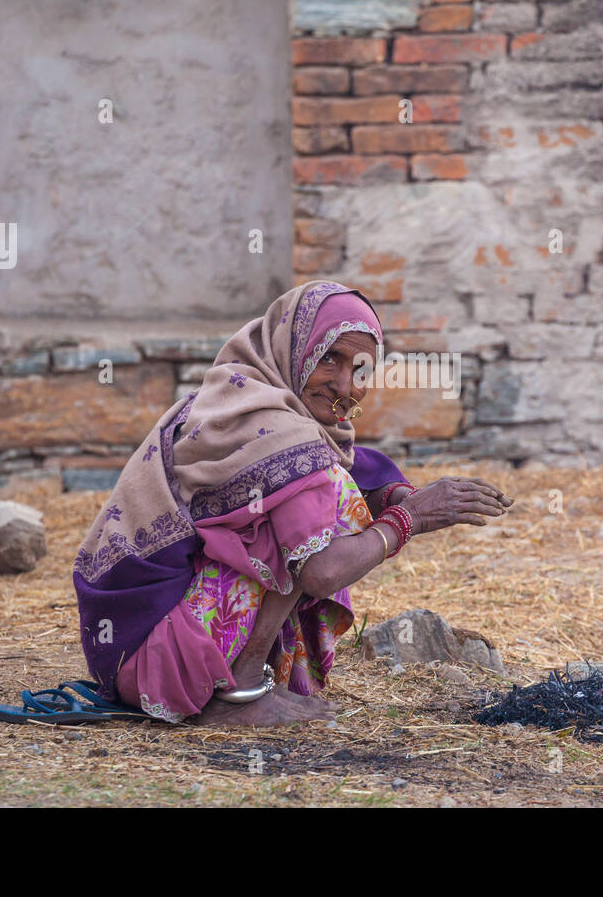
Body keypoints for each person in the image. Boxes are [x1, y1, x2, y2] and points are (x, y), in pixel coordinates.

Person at [72, 280, 512, 726]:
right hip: (156, 662)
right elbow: (322, 572)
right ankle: (236, 692)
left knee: (319, 492)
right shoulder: (272, 426)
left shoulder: (243, 397)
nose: (345, 385)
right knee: (320, 508)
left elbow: (358, 469)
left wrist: (399, 495)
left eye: (360, 369)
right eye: (329, 359)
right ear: (294, 347)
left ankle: (249, 681)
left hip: (127, 650)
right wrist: (409, 518)